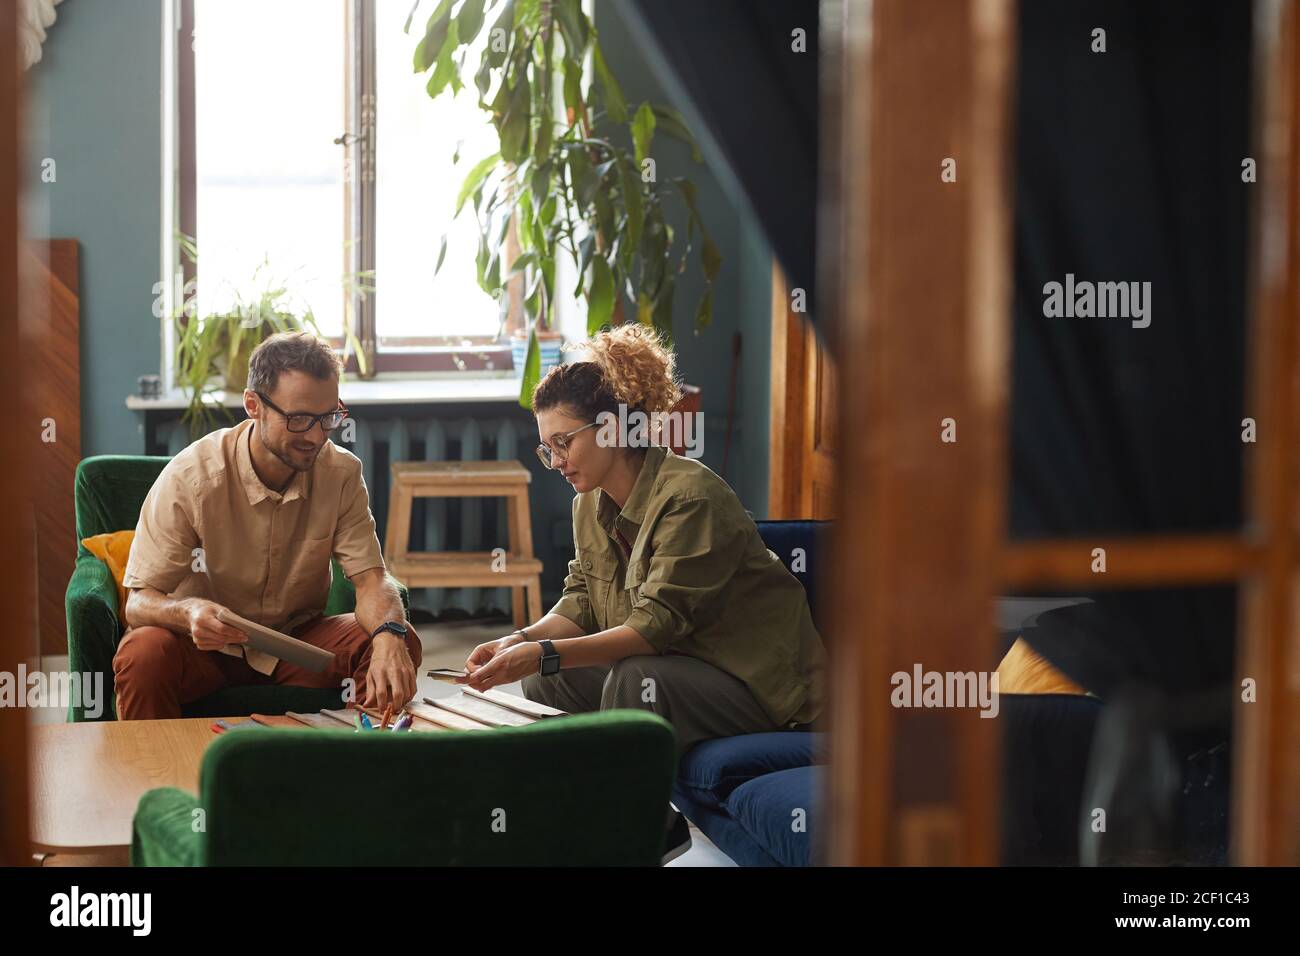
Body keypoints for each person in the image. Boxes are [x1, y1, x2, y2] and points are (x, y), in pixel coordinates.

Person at [460, 323, 826, 758]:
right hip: (679, 665)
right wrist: (520, 640)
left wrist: (544, 650)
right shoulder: (589, 502)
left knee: (633, 678)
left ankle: (623, 816)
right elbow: (581, 599)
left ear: (613, 428)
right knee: (547, 675)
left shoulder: (691, 498)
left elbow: (653, 629)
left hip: (759, 688)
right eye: (547, 449)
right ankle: (588, 794)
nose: (555, 461)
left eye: (563, 443)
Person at [113, 332, 421, 719]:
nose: (315, 436)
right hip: (202, 649)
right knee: (144, 654)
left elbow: (371, 580)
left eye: (328, 417)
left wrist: (389, 636)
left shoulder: (340, 474)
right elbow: (139, 603)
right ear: (252, 405)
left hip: (294, 646)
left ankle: (356, 767)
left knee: (397, 639)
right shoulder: (192, 477)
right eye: (298, 419)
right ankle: (156, 775)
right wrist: (188, 612)